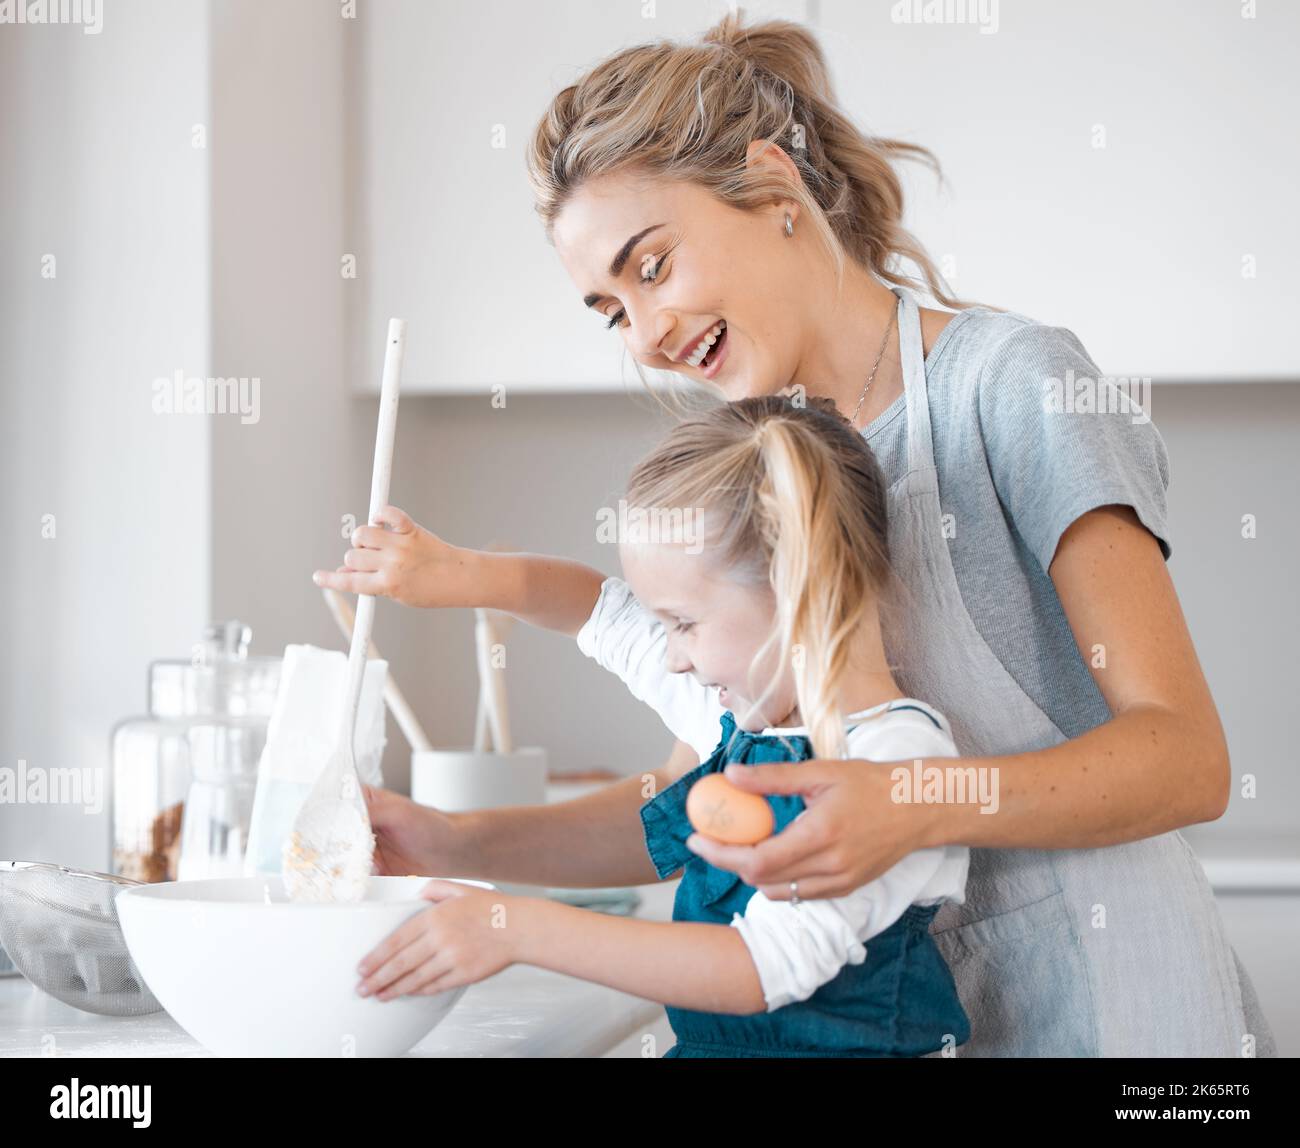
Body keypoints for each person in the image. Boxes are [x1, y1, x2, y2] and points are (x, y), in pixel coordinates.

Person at [319, 10, 1275, 1055]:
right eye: (607, 309)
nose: (643, 334)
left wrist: (912, 799)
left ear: (771, 186)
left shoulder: (1011, 385)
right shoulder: (760, 458)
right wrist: (451, 839)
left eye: (651, 267)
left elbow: (1184, 758)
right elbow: (707, 804)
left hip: (1120, 1007)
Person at [352, 396, 974, 1058]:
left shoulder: (894, 757)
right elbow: (593, 610)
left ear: (802, 588)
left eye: (684, 623)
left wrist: (515, 930)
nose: (673, 655)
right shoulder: (742, 712)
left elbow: (759, 969)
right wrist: (461, 574)